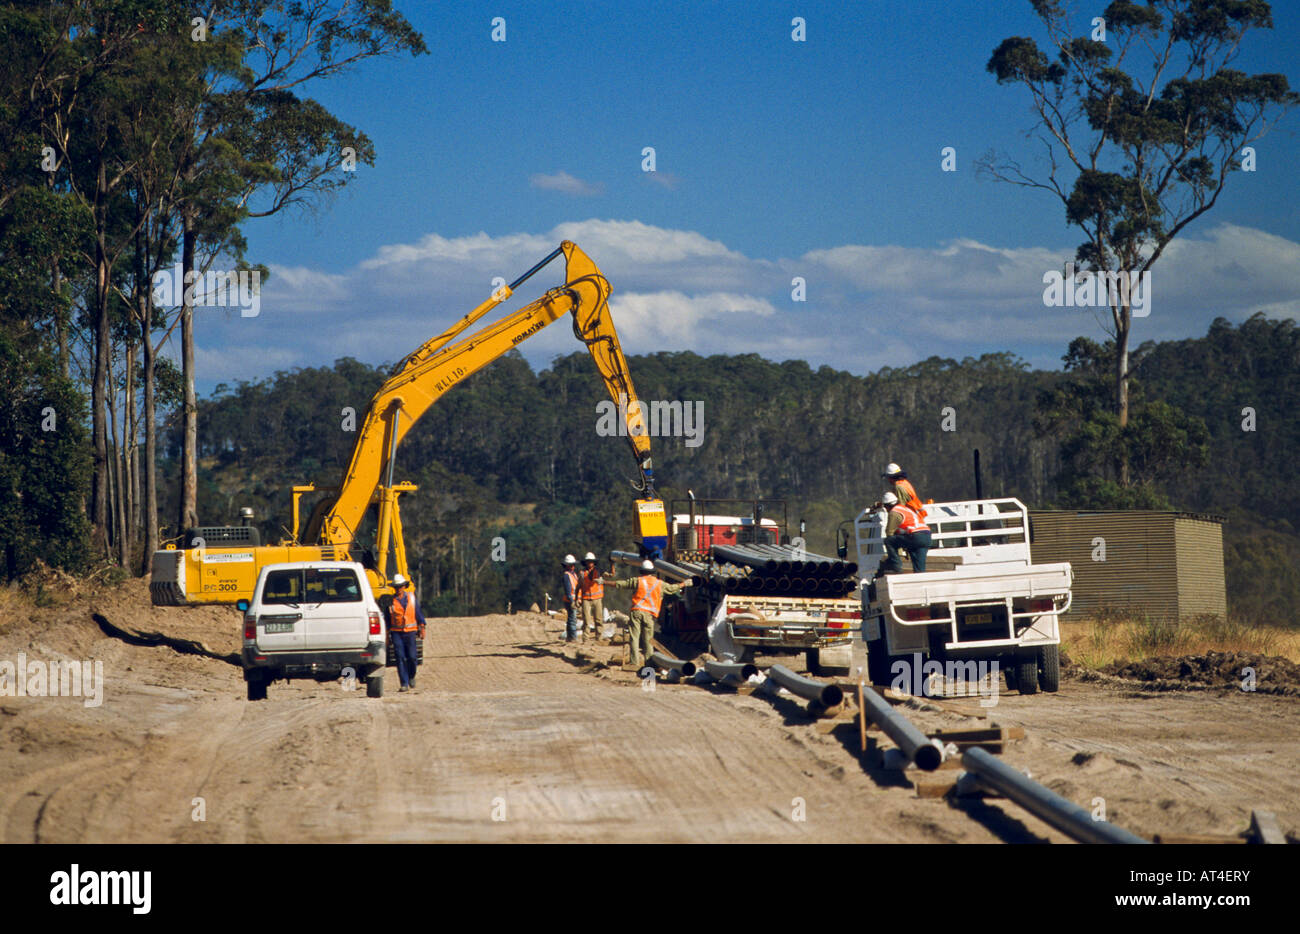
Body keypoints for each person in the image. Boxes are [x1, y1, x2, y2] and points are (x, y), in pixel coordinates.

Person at [603, 560, 692, 669]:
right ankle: (649, 663)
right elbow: (672, 588)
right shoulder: (659, 583)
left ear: (642, 571)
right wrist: (685, 583)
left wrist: (604, 582)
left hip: (636, 612)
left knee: (634, 637)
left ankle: (634, 662)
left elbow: (620, 584)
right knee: (648, 639)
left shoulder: (638, 581)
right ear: (652, 572)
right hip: (649, 614)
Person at [876, 491, 933, 576]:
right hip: (926, 537)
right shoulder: (905, 508)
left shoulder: (894, 512)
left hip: (915, 537)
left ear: (887, 506)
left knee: (888, 541)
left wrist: (896, 553)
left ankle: (896, 567)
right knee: (919, 568)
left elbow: (889, 533)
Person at [388, 573, 426, 692]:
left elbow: (418, 613)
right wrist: (386, 634)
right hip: (396, 633)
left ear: (404, 586)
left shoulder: (412, 598)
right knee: (400, 657)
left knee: (412, 657)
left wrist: (422, 627)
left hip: (410, 633)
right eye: (396, 587)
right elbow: (387, 619)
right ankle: (404, 683)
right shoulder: (390, 601)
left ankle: (411, 676)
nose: (398, 589)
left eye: (400, 586)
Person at [578, 552, 604, 642]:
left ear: (594, 562)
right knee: (586, 621)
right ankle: (585, 639)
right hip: (586, 599)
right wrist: (577, 599)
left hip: (597, 599)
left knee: (599, 619)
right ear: (585, 562)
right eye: (588, 561)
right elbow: (579, 586)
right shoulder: (582, 573)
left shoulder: (598, 572)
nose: (589, 563)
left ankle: (599, 638)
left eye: (591, 561)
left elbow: (610, 574)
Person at [560, 554, 581, 642]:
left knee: (571, 618)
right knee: (572, 619)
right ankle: (573, 638)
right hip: (570, 600)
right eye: (571, 565)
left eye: (573, 565)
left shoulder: (574, 574)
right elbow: (568, 591)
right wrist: (572, 601)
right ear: (567, 565)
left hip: (573, 599)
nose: (573, 566)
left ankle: (569, 637)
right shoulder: (567, 575)